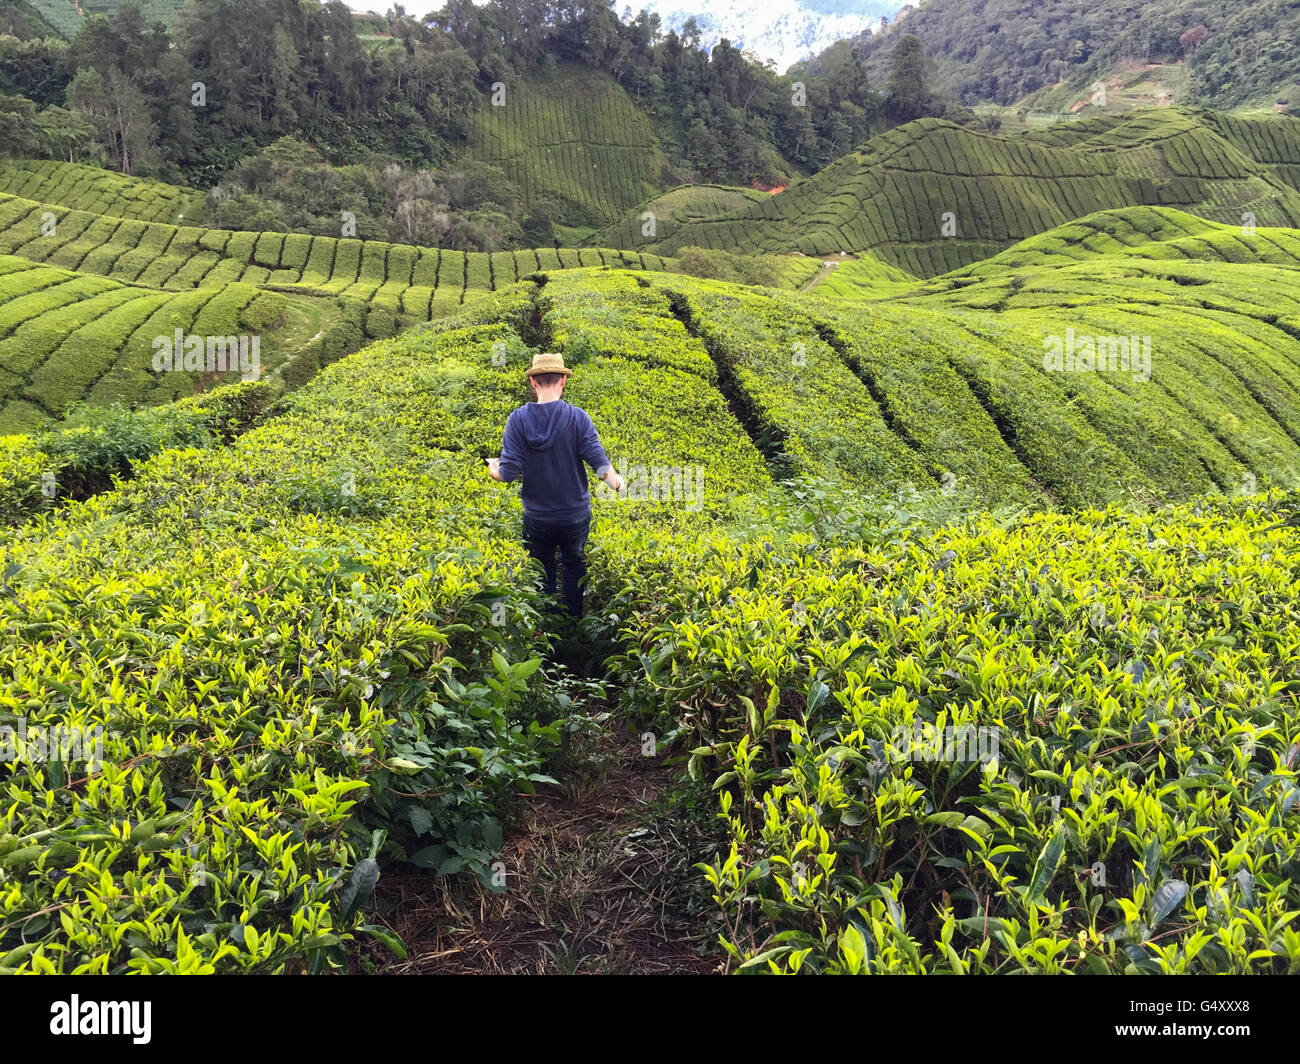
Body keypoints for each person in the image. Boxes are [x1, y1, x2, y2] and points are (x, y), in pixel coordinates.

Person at [486, 352, 624, 618]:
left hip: (537, 516)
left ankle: (546, 624)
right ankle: (571, 622)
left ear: (533, 383)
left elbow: (508, 474)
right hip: (574, 514)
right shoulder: (578, 418)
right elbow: (600, 466)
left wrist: (494, 469)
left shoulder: (517, 420)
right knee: (573, 565)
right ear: (563, 380)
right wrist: (618, 484)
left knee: (542, 568)